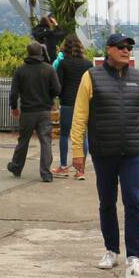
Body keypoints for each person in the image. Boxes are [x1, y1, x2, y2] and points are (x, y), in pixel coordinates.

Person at [71, 33, 139, 278]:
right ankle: (111, 250)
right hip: (103, 152)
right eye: (121, 46)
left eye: (129, 47)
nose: (126, 50)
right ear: (108, 49)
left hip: (132, 152)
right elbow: (79, 116)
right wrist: (78, 151)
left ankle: (135, 257)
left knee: (133, 200)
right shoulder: (91, 77)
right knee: (107, 202)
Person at [7, 41, 60, 182]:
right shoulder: (49, 69)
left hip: (27, 112)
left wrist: (14, 107)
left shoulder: (20, 70)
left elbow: (14, 92)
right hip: (44, 111)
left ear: (28, 53)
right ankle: (46, 173)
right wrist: (49, 99)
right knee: (46, 141)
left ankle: (16, 167)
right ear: (41, 53)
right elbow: (57, 89)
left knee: (23, 140)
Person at [52, 34, 91, 176]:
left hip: (67, 103)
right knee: (83, 135)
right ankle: (81, 170)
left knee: (64, 134)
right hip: (84, 104)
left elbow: (58, 85)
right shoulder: (88, 64)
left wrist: (57, 97)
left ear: (65, 47)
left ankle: (63, 166)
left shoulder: (63, 63)